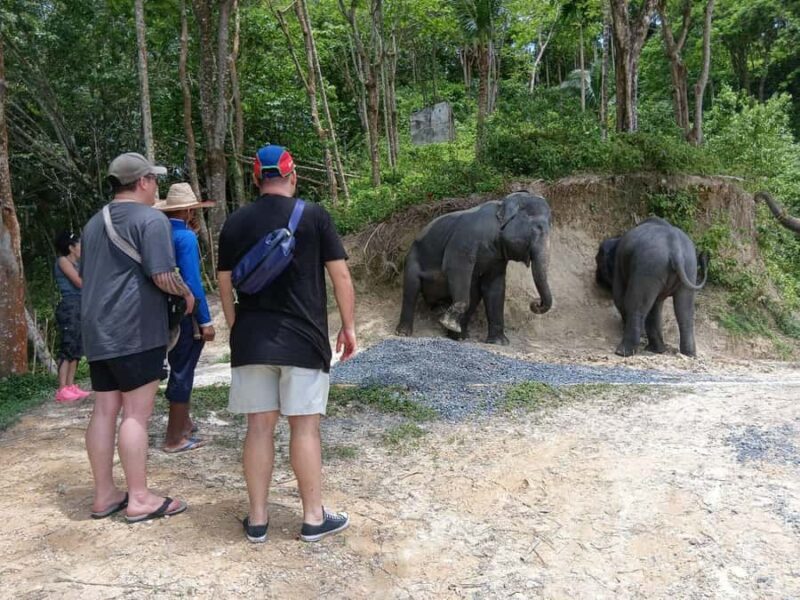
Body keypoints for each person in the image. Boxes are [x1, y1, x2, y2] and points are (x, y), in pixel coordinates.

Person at [217, 144, 357, 543]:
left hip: (252, 341)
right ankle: (313, 517)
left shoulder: (234, 222)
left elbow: (224, 282)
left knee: (258, 428)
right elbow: (341, 278)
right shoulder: (314, 217)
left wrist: (235, 325)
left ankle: (258, 520)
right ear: (293, 176)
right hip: (303, 340)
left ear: (257, 180)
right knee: (305, 428)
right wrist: (348, 326)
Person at [80, 152, 195, 522]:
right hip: (135, 329)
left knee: (104, 410)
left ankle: (103, 495)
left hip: (97, 330)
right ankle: (140, 498)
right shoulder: (151, 220)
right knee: (136, 414)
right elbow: (162, 275)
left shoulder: (92, 223)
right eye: (154, 180)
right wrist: (187, 294)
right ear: (143, 181)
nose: (156, 188)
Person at [155, 183, 215, 453]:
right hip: (185, 311)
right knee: (183, 369)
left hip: (162, 311)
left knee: (178, 364)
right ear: (190, 210)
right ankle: (174, 437)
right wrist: (205, 320)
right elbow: (192, 280)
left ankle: (185, 424)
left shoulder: (157, 234)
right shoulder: (186, 239)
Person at [53, 231, 92, 403]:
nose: (82, 248)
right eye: (80, 245)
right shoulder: (63, 261)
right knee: (68, 346)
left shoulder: (79, 263)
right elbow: (79, 282)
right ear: (71, 247)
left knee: (77, 348)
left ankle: (71, 385)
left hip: (81, 305)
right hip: (69, 305)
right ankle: (62, 388)